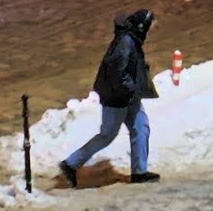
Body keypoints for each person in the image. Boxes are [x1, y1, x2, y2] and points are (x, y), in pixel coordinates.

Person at [59, 10, 160, 188]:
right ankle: (70, 164)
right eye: (150, 26)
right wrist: (131, 88)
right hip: (117, 97)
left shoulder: (131, 39)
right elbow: (117, 72)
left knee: (141, 128)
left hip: (128, 96)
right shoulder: (126, 42)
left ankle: (139, 172)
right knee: (107, 135)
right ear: (142, 26)